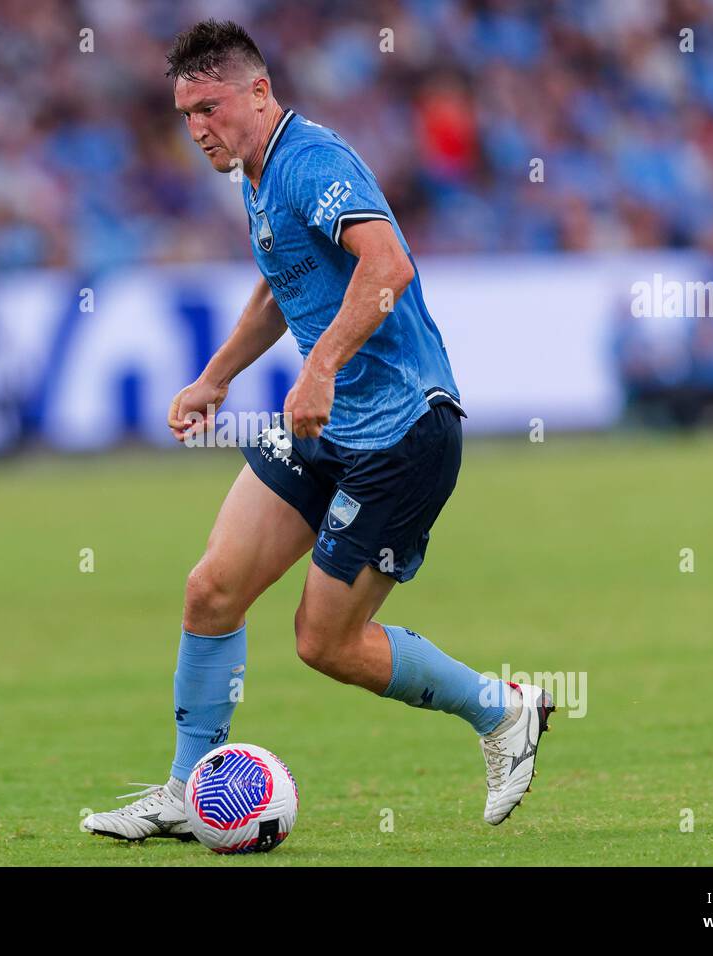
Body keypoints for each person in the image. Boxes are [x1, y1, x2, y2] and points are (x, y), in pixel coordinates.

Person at [82, 21, 552, 841]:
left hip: (403, 432)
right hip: (326, 425)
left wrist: (320, 366)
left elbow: (389, 266)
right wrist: (216, 377)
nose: (197, 128)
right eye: (186, 113)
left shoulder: (313, 162)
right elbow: (279, 283)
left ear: (259, 93)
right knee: (211, 591)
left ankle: (504, 710)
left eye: (210, 107)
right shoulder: (255, 175)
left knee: (325, 642)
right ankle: (188, 792)